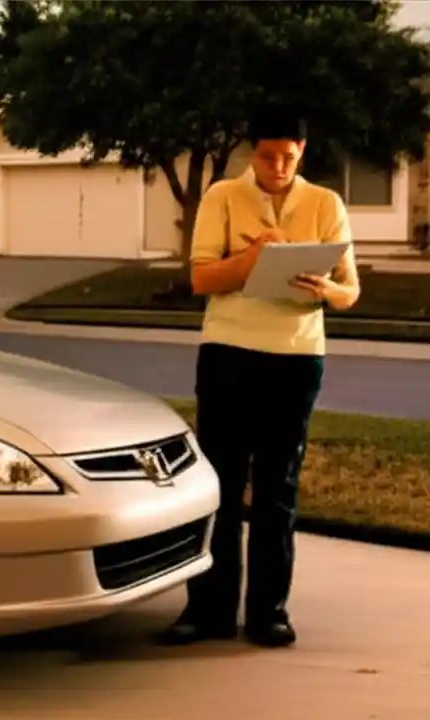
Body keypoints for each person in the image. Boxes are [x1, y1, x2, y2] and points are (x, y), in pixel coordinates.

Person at [159, 109, 361, 648]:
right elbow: (202, 276)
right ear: (253, 152)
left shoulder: (325, 204)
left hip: (296, 358)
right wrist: (250, 259)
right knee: (219, 486)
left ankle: (270, 612)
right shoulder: (223, 196)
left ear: (302, 150)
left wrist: (325, 289)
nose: (277, 166)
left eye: (288, 157)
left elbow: (350, 291)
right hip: (229, 352)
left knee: (278, 489)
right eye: (267, 156)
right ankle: (207, 612)